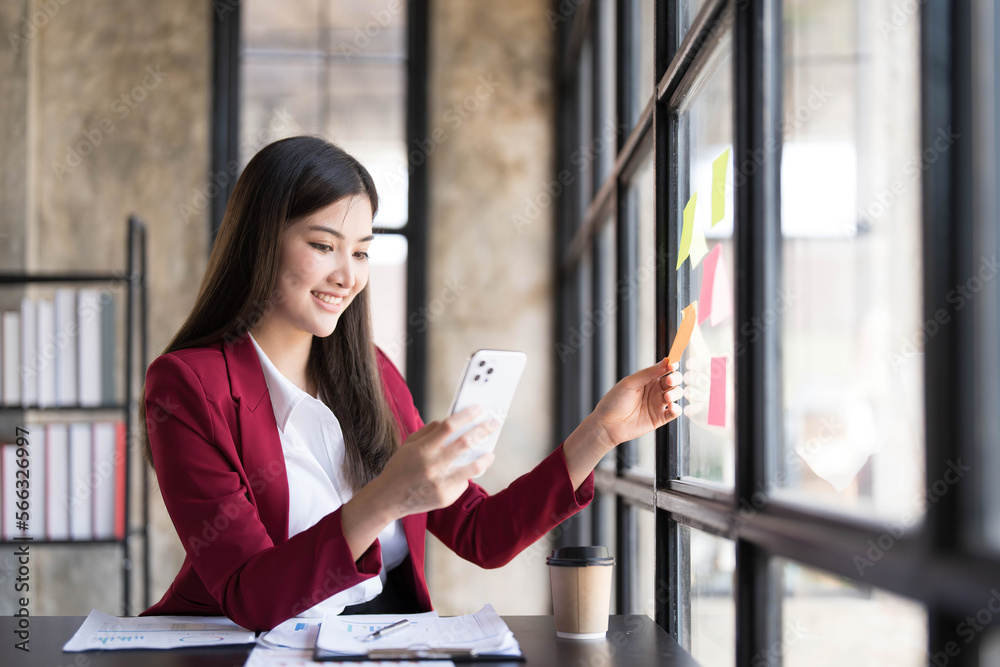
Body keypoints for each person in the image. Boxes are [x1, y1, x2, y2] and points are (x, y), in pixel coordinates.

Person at [138, 135, 683, 631]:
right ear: (261, 242)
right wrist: (386, 496)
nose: (347, 275)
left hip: (385, 638)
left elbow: (480, 533)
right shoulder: (187, 385)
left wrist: (599, 434)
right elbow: (251, 597)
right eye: (324, 246)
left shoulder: (370, 370)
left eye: (361, 251)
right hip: (247, 645)